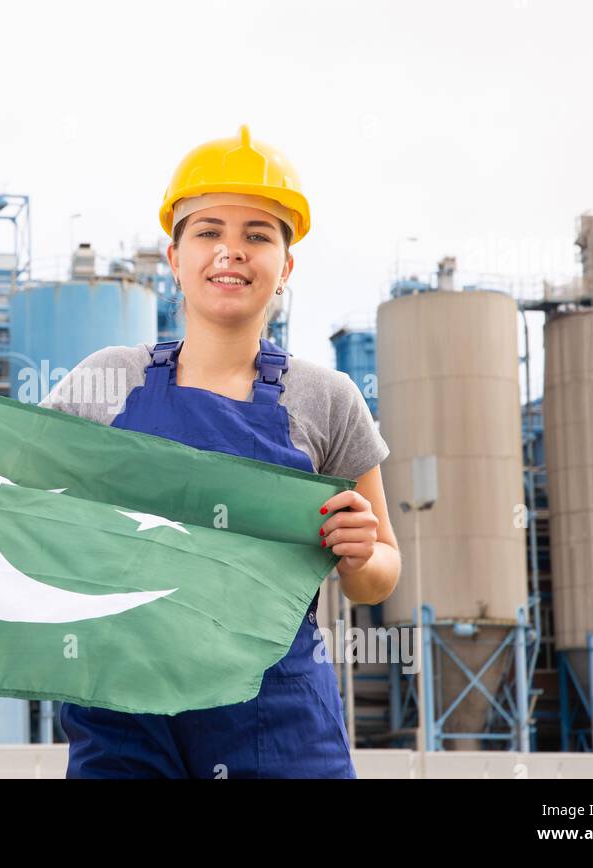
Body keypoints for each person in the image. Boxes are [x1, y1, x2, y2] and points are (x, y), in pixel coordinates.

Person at [38, 125, 401, 778]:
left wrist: (361, 550)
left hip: (276, 716)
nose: (230, 252)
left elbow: (382, 570)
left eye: (257, 235)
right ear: (175, 258)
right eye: (208, 232)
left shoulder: (328, 399)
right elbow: (3, 489)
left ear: (285, 267)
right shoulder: (105, 382)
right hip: (124, 708)